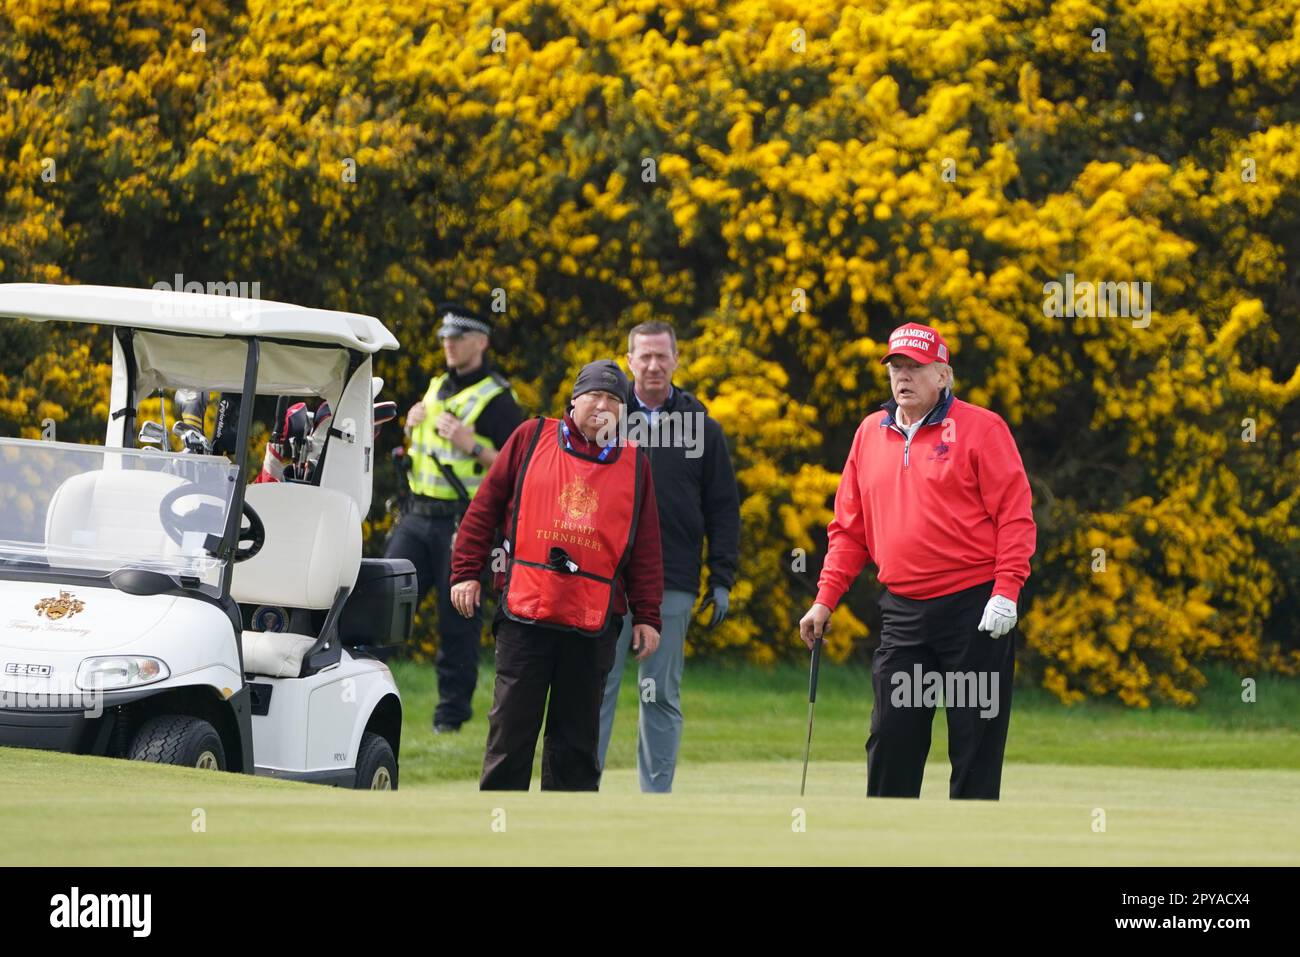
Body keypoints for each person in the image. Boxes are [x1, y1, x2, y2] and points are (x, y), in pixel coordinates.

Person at [799, 323, 1036, 800]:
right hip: (904, 613)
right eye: (896, 368)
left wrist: (1006, 591)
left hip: (975, 613)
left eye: (915, 368)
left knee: (975, 745)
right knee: (892, 738)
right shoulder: (870, 433)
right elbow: (849, 530)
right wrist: (824, 601)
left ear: (943, 375)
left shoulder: (982, 429)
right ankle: (888, 847)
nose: (902, 377)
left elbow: (1015, 518)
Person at [449, 360, 664, 791]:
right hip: (525, 613)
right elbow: (484, 508)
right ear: (574, 400)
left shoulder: (635, 463)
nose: (602, 406)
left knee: (577, 746)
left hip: (594, 623)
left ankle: (566, 844)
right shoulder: (531, 436)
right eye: (594, 396)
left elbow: (645, 549)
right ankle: (496, 836)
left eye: (613, 399)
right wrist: (465, 573)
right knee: (510, 734)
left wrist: (648, 617)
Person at [597, 321, 740, 792]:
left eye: (663, 356)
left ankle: (656, 798)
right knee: (597, 688)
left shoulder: (703, 428)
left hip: (672, 581)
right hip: (606, 579)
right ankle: (579, 788)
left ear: (676, 361)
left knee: (658, 694)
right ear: (630, 360)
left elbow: (723, 509)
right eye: (645, 356)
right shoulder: (605, 421)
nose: (654, 365)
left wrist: (722, 578)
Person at [386, 303, 523, 733]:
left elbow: (519, 467)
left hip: (461, 523)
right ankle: (362, 696)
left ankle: (451, 718)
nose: (448, 344)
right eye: (445, 337)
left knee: (457, 619)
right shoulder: (437, 386)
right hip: (416, 514)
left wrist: (472, 445)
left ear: (480, 342)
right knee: (384, 601)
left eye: (458, 337)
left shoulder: (497, 400)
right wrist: (410, 426)